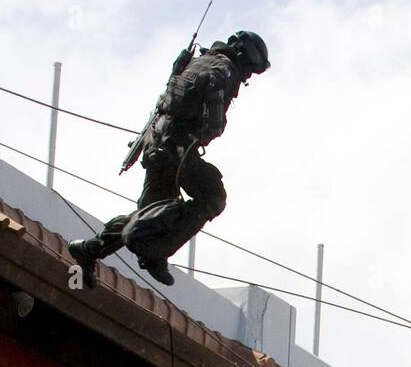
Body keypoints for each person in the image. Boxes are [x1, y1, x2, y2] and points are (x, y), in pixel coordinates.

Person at [68, 31, 270, 288]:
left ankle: (90, 248)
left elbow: (170, 92)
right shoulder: (225, 69)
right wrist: (213, 127)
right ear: (245, 58)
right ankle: (155, 252)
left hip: (156, 144)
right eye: (251, 70)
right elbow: (213, 104)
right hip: (178, 149)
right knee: (213, 197)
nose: (248, 76)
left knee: (150, 213)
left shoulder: (198, 60)